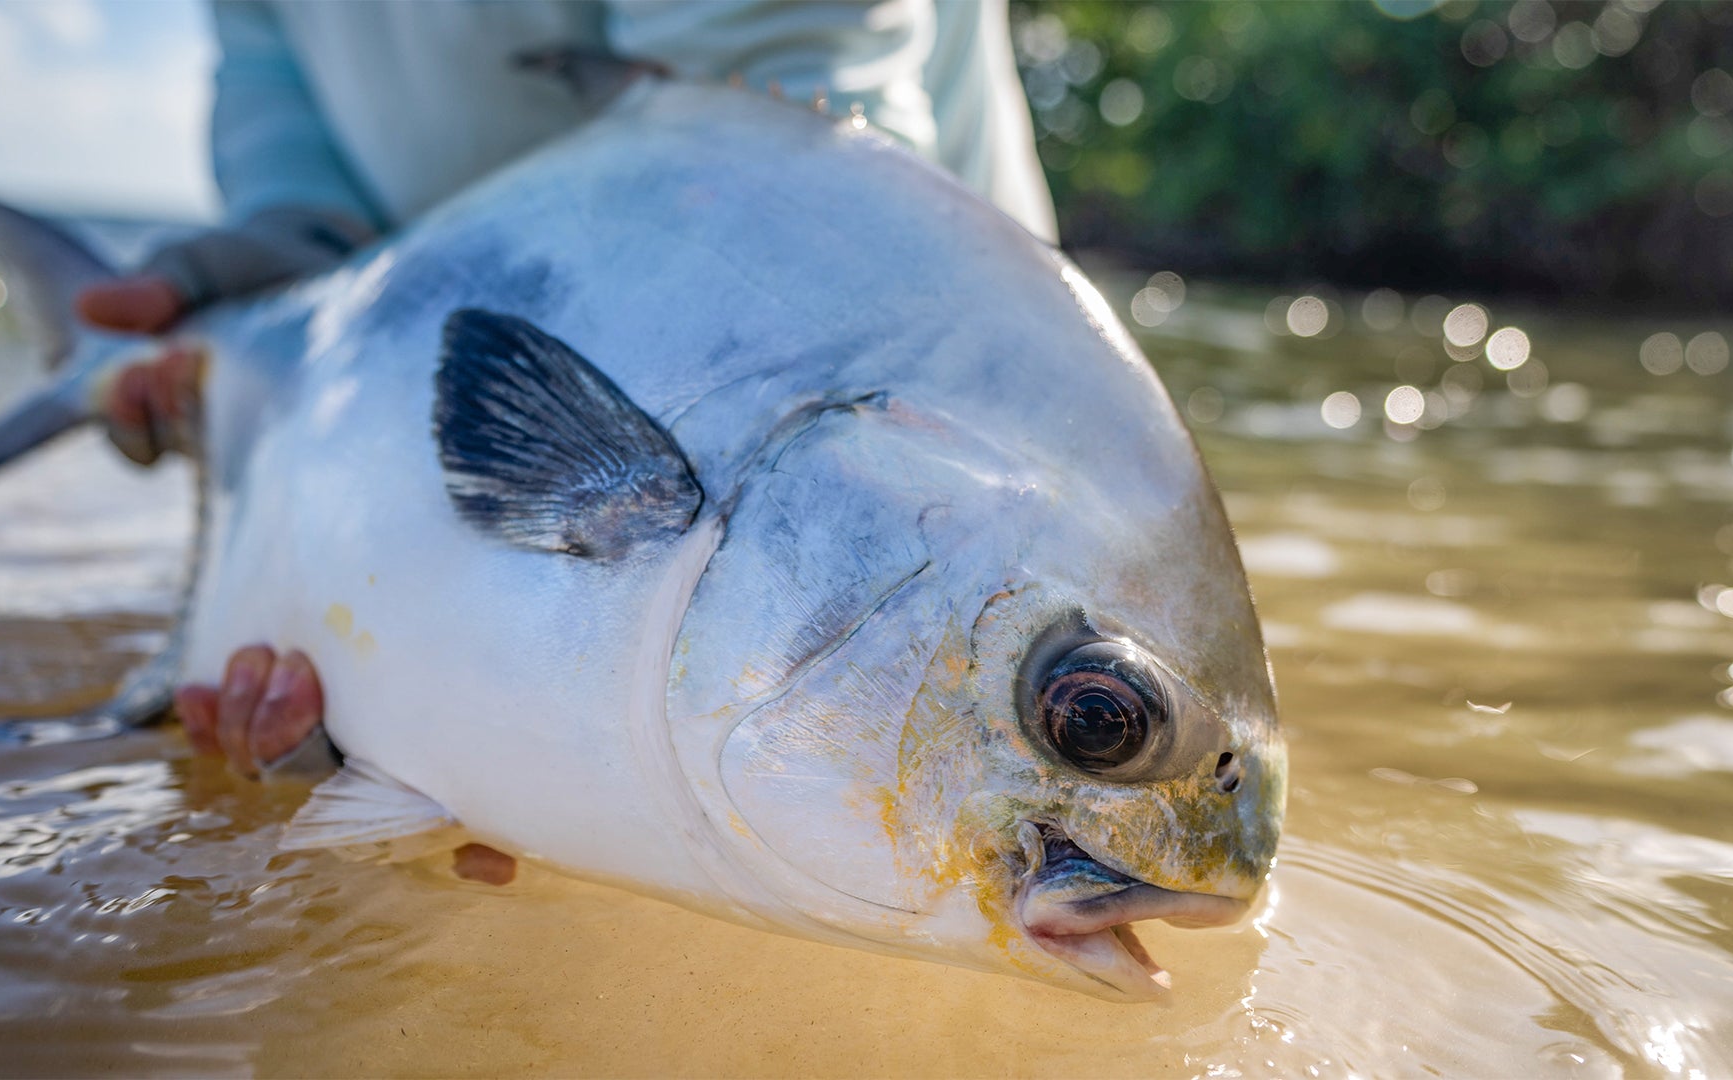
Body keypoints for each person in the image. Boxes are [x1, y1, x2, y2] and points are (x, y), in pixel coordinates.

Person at [78, 1, 1054, 867]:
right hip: (509, 368)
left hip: (966, 450)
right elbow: (298, 147)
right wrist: (285, 291)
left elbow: (789, 155)